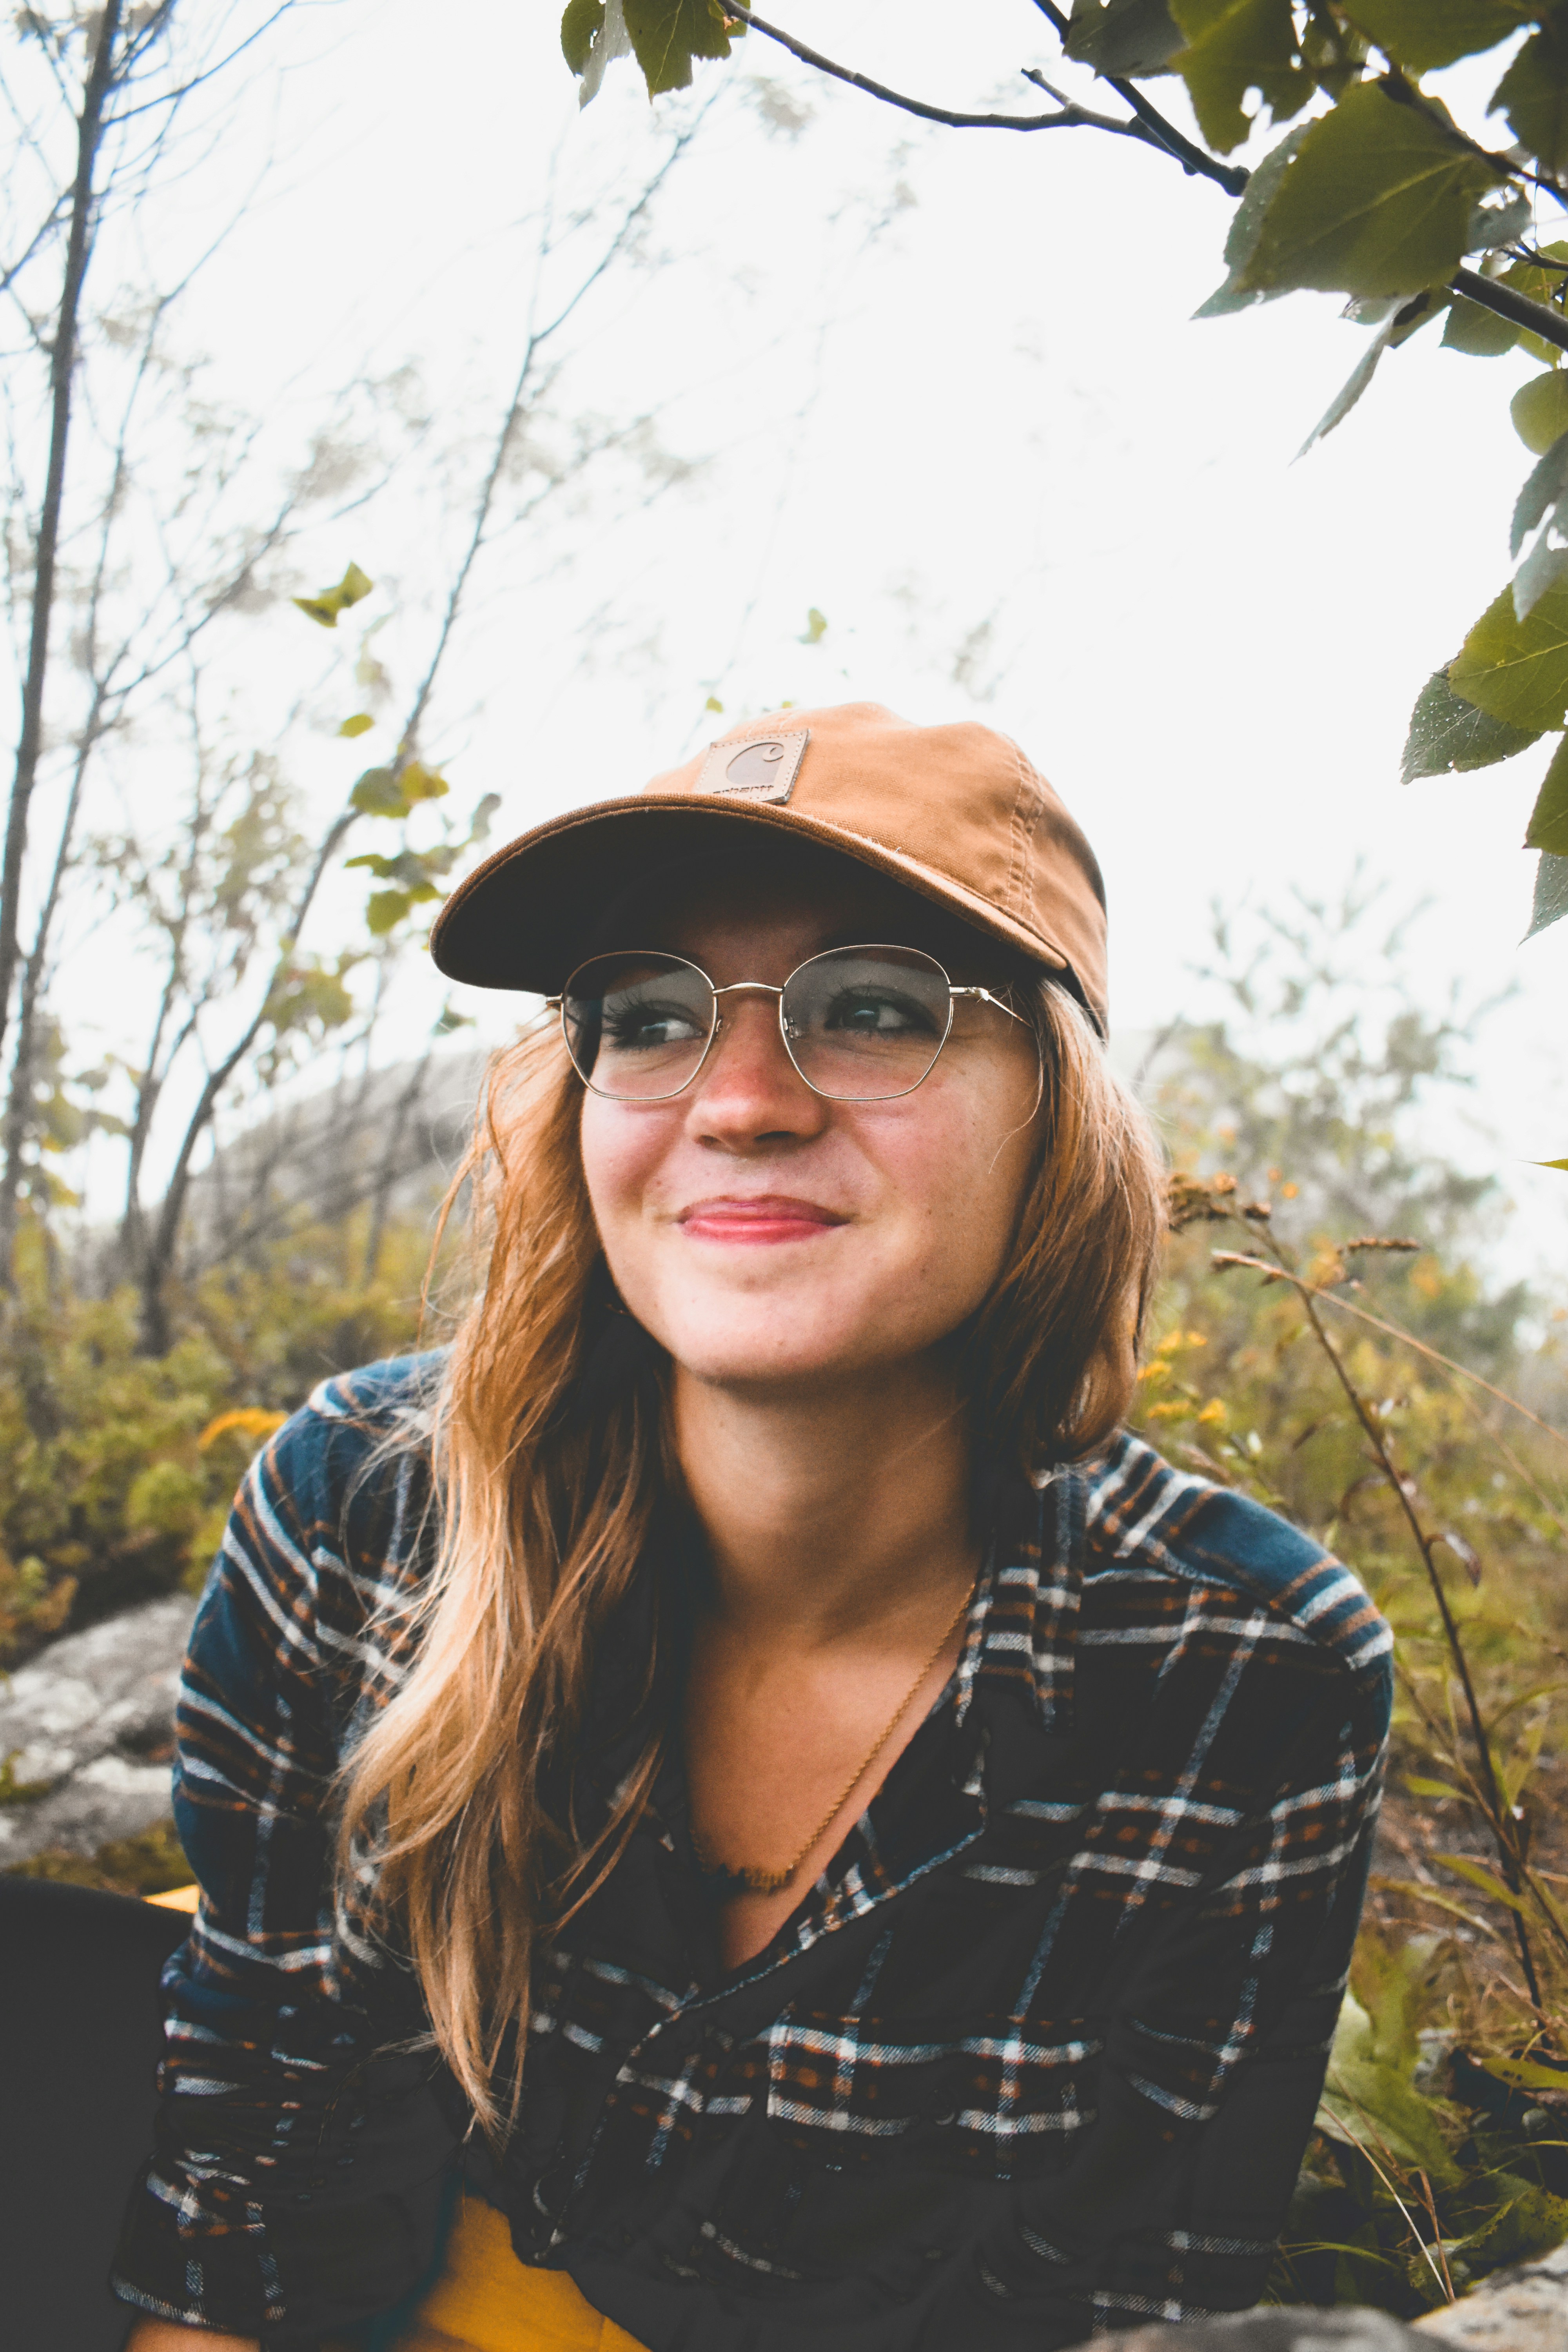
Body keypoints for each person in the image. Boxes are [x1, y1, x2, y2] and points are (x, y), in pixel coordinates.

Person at [114, 703, 1391, 2352]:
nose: (739, 1100)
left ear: (1053, 1112)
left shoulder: (1240, 1674)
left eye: (869, 1008)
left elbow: (1115, 2305)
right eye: (646, 1017)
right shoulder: (363, 1504)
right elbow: (250, 2169)